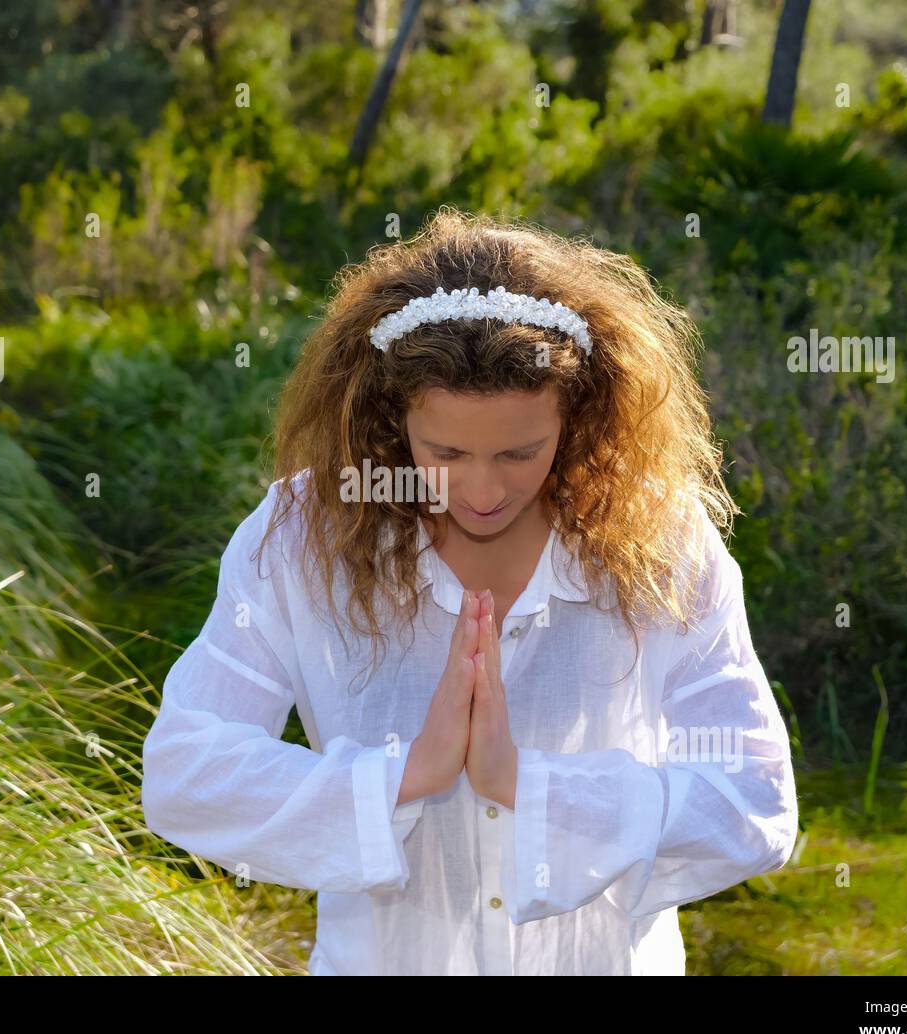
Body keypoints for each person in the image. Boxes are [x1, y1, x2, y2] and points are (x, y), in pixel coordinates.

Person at [141, 206, 799, 975]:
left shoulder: (661, 537)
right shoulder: (298, 535)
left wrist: (525, 784)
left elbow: (754, 798)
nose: (483, 491)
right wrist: (405, 775)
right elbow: (187, 772)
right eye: (445, 450)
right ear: (392, 415)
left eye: (521, 451)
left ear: (578, 414)